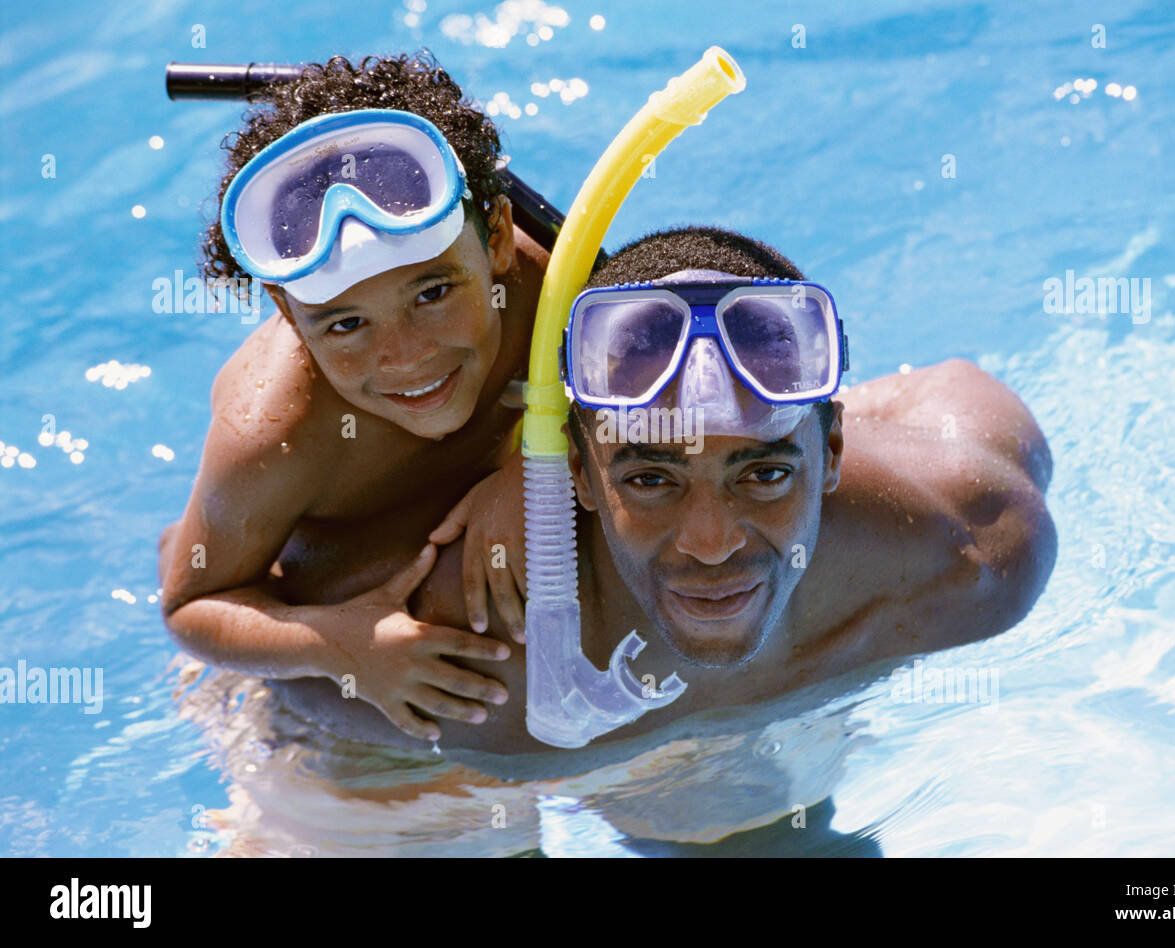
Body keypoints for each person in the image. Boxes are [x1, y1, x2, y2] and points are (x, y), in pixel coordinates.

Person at [268, 225, 1057, 760]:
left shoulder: (970, 553)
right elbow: (278, 673)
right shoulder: (459, 654)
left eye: (764, 474)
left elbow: (959, 390)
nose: (711, 544)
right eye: (651, 480)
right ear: (577, 474)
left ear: (834, 453)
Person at [157, 54, 546, 742]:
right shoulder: (272, 430)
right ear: (286, 309)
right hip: (303, 669)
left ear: (496, 241)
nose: (405, 356)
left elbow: (651, 399)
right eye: (345, 325)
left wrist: (542, 464)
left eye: (433, 293)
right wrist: (342, 647)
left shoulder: (549, 286)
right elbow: (191, 605)